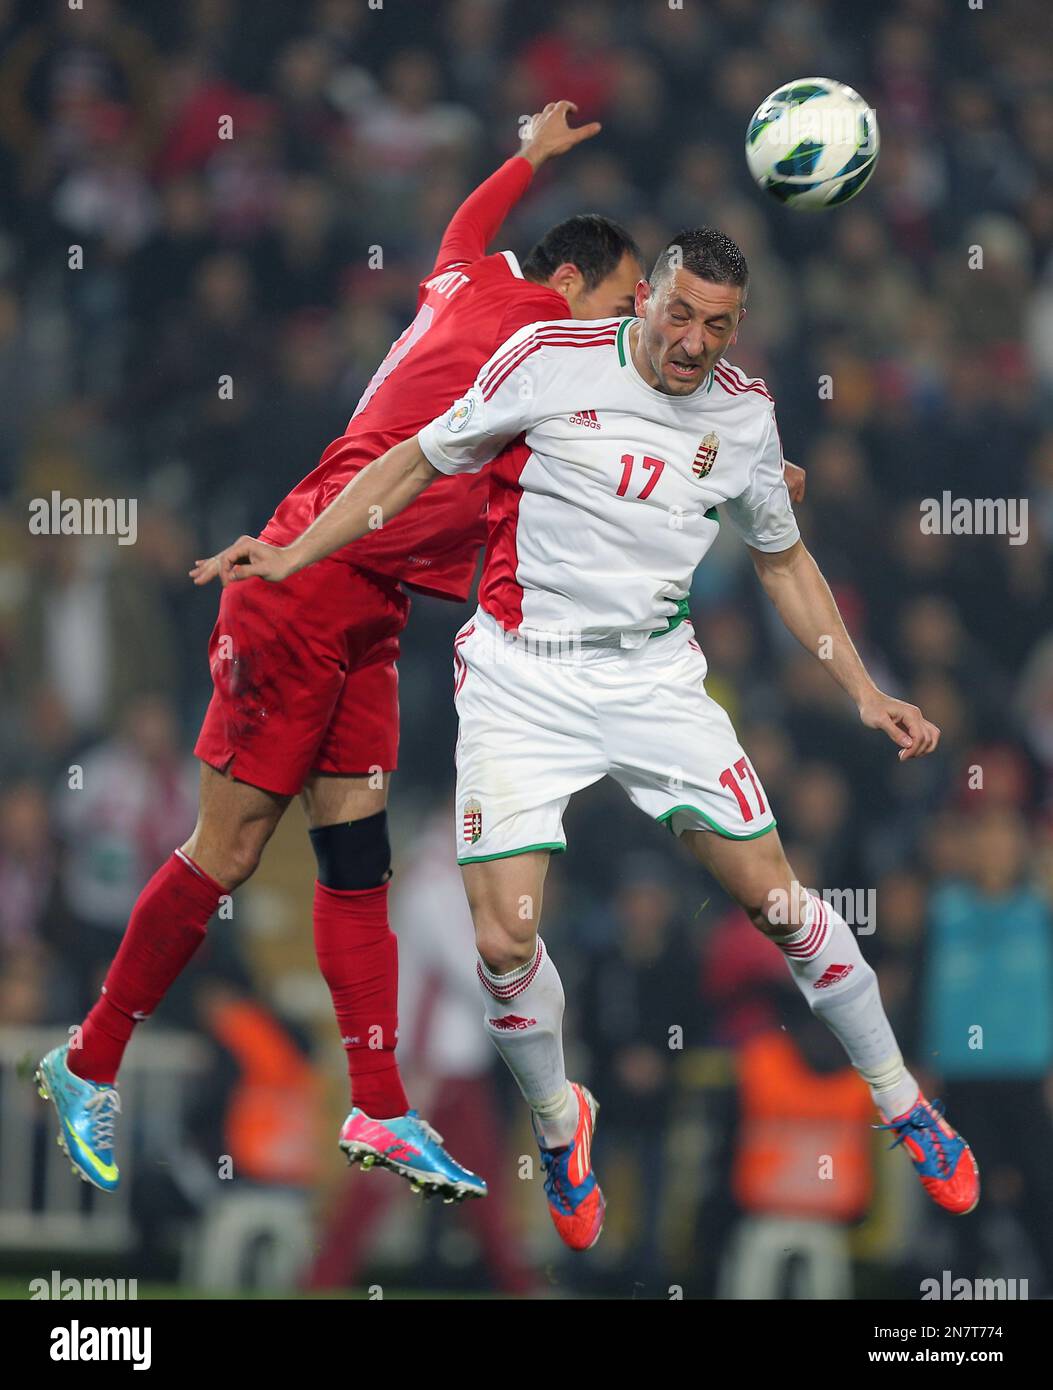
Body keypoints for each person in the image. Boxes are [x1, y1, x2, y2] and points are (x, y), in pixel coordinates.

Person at [211, 226, 979, 1253]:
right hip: (522, 674)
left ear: (735, 328)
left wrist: (864, 688)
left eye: (716, 324)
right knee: (502, 937)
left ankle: (900, 1101)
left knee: (783, 903)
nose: (692, 339)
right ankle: (565, 1124)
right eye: (678, 312)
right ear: (646, 299)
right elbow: (412, 459)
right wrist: (300, 547)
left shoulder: (745, 418)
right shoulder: (547, 362)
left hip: (652, 678)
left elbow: (784, 562)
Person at [36, 101, 644, 1202]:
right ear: (570, 292)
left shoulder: (473, 285)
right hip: (304, 580)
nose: (634, 319)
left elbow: (463, 230)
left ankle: (379, 1104)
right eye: (627, 298)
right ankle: (85, 1062)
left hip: (371, 607)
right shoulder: (545, 351)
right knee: (225, 851)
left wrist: (523, 160)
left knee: (356, 858)